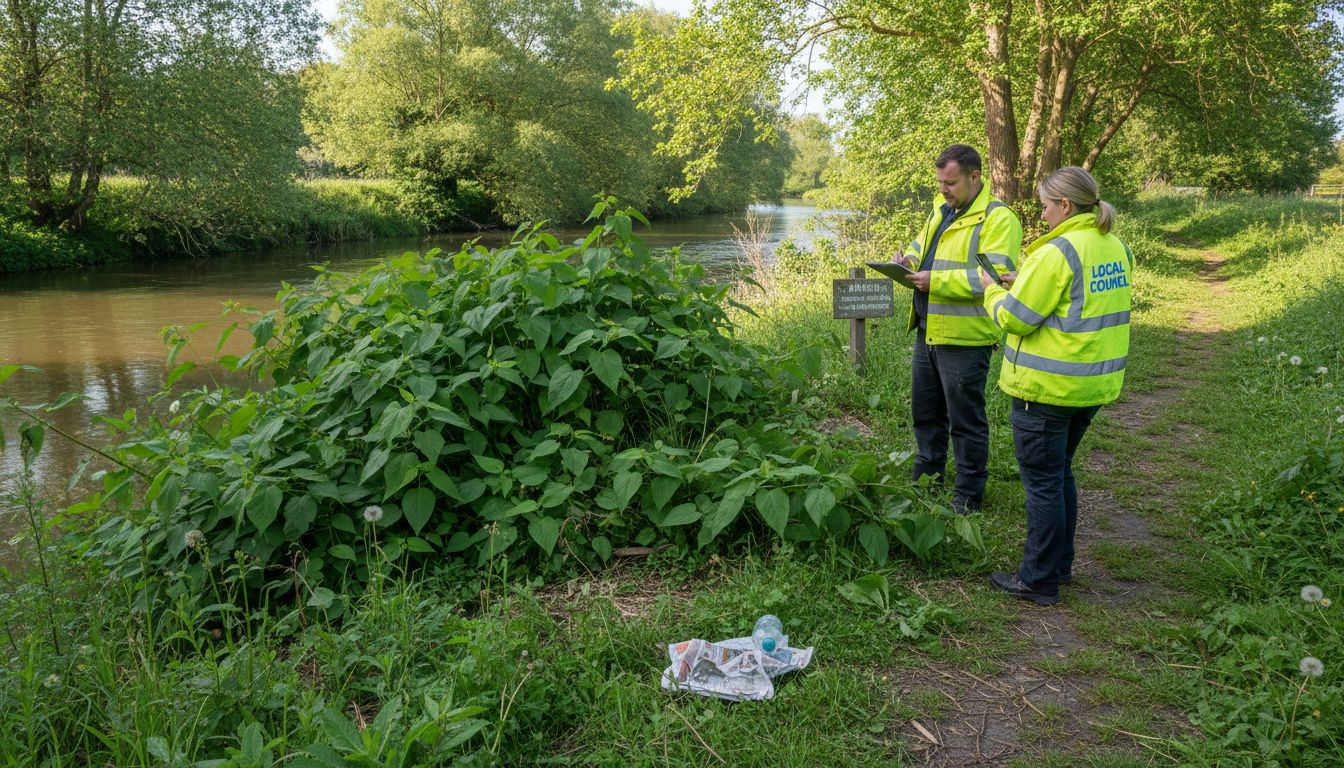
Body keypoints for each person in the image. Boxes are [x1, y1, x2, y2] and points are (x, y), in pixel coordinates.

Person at [977, 166, 1133, 606]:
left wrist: (992, 291)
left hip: (1047, 389)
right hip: (1091, 385)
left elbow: (1015, 318)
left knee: (1043, 483)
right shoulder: (1114, 245)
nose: (1042, 214)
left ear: (1065, 205)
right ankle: (1059, 565)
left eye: (1045, 206)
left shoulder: (1057, 251)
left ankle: (1038, 579)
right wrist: (1023, 283)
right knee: (1059, 473)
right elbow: (1075, 300)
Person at [898, 145, 1023, 513]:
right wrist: (906, 260)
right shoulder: (942, 208)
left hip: (965, 338)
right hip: (927, 330)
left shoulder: (999, 219)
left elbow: (992, 277)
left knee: (965, 422)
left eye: (950, 183)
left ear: (974, 177)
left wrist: (934, 281)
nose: (943, 189)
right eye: (940, 182)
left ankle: (968, 496)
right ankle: (926, 483)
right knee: (925, 415)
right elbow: (920, 245)